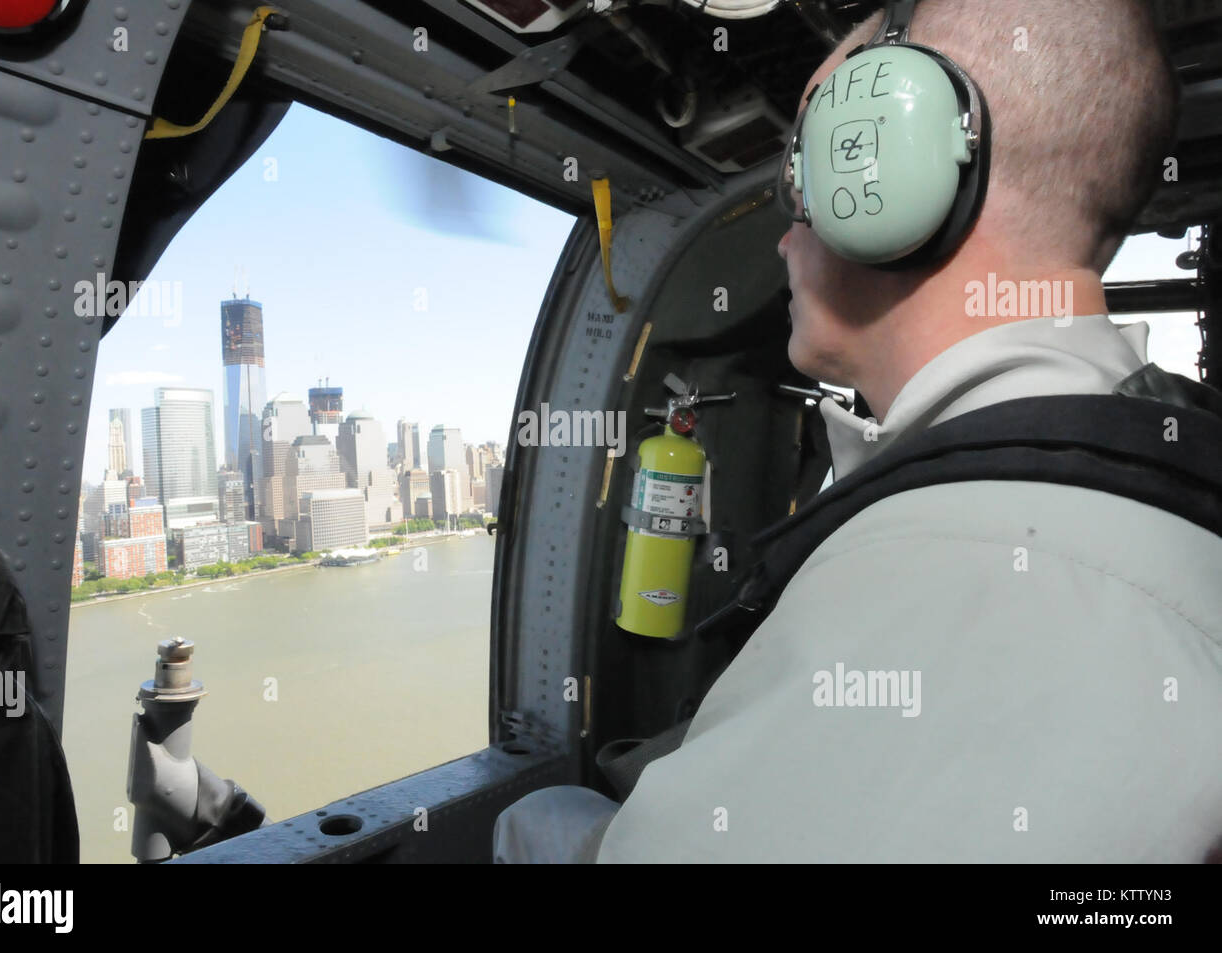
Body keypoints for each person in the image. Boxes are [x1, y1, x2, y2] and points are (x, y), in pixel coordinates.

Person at [496, 0, 1222, 862]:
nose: (784, 240)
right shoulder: (1153, 462)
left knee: (533, 822)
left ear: (907, 167)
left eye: (802, 176)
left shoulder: (936, 575)